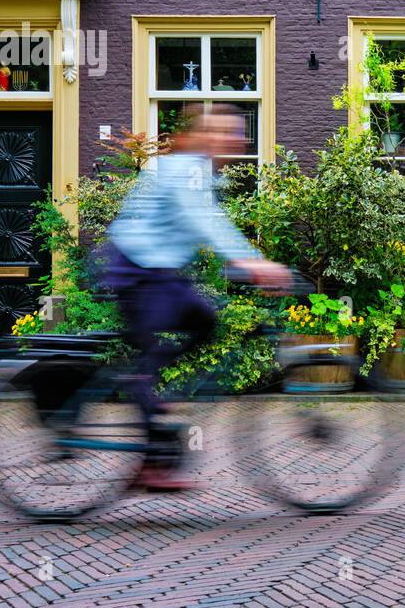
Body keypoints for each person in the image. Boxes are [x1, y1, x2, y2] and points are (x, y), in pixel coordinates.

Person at [103, 104, 296, 491]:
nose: (234, 140)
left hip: (159, 271)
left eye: (237, 133)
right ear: (202, 137)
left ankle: (152, 403)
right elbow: (202, 220)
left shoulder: (199, 173)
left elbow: (205, 224)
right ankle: (152, 452)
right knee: (151, 358)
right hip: (138, 270)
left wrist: (244, 265)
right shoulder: (187, 169)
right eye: (223, 132)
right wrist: (255, 263)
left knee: (204, 320)